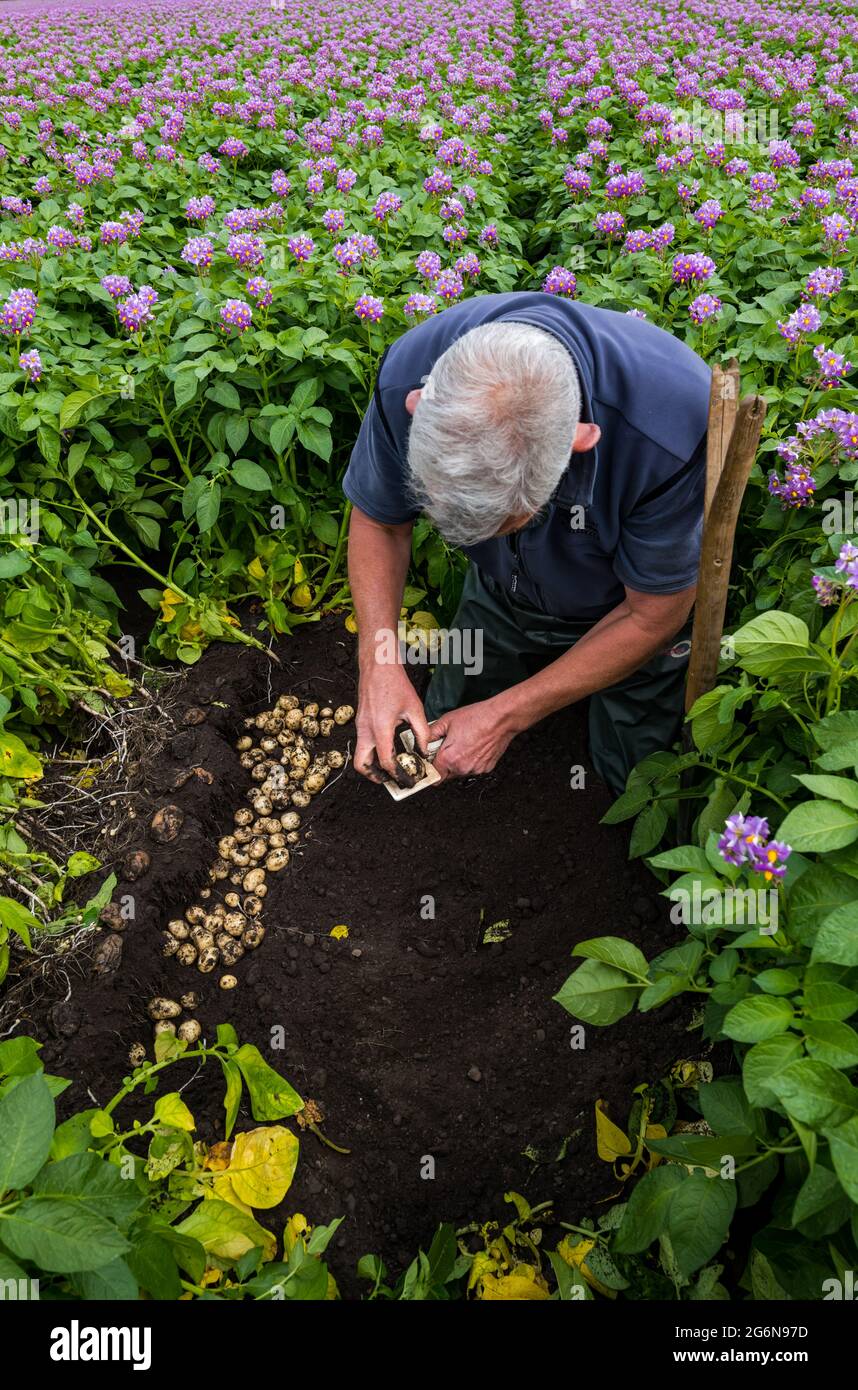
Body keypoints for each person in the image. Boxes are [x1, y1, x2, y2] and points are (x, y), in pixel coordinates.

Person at [343, 291, 711, 796]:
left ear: (580, 440)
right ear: (417, 406)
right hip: (500, 591)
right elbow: (382, 524)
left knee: (633, 783)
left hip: (628, 612)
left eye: (509, 522)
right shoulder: (406, 375)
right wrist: (380, 662)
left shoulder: (672, 425)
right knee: (436, 733)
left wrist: (504, 718)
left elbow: (652, 615)